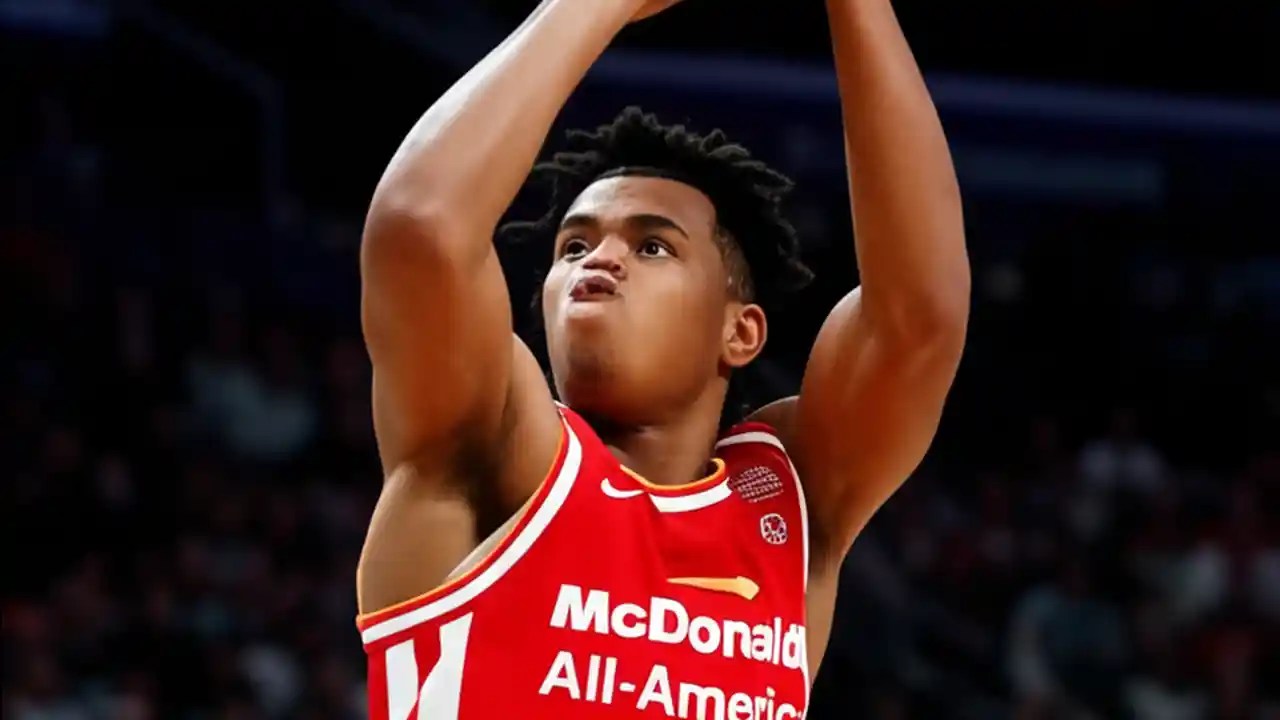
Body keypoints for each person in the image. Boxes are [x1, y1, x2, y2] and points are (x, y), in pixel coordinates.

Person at [355, 0, 969, 716]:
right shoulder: (494, 451)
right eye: (574, 246)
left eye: (653, 246)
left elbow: (921, 317)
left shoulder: (790, 498)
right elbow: (420, 231)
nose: (601, 261)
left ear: (739, 333)